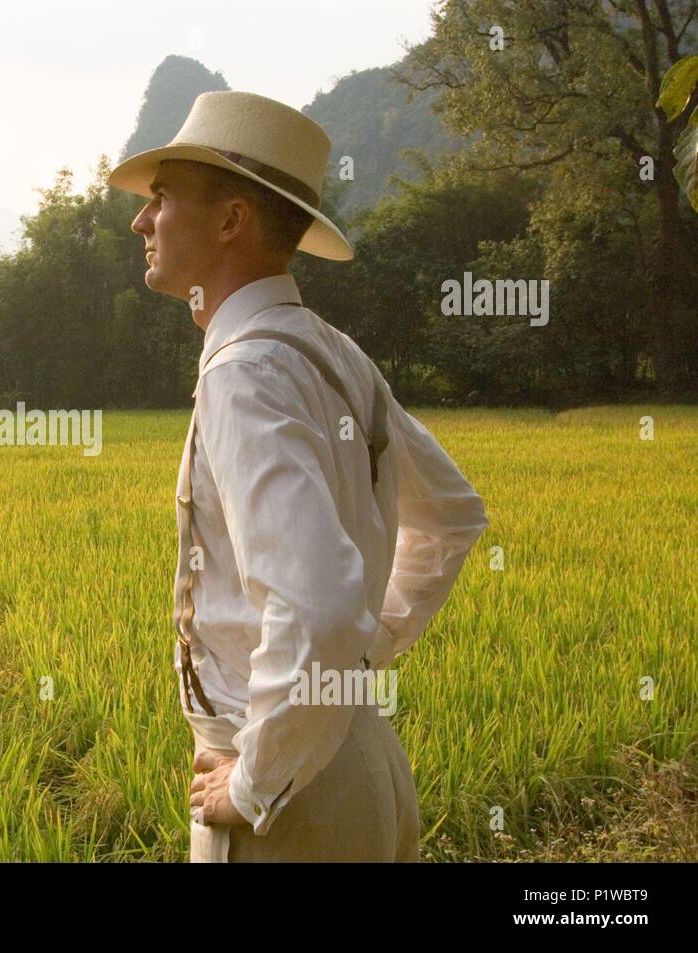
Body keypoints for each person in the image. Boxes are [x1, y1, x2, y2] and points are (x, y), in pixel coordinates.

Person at [107, 91, 489, 862]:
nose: (141, 222)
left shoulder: (244, 373)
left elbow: (313, 600)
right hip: (362, 759)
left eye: (161, 198)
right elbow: (452, 515)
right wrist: (361, 654)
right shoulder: (331, 351)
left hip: (284, 803)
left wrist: (255, 780)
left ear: (230, 221)